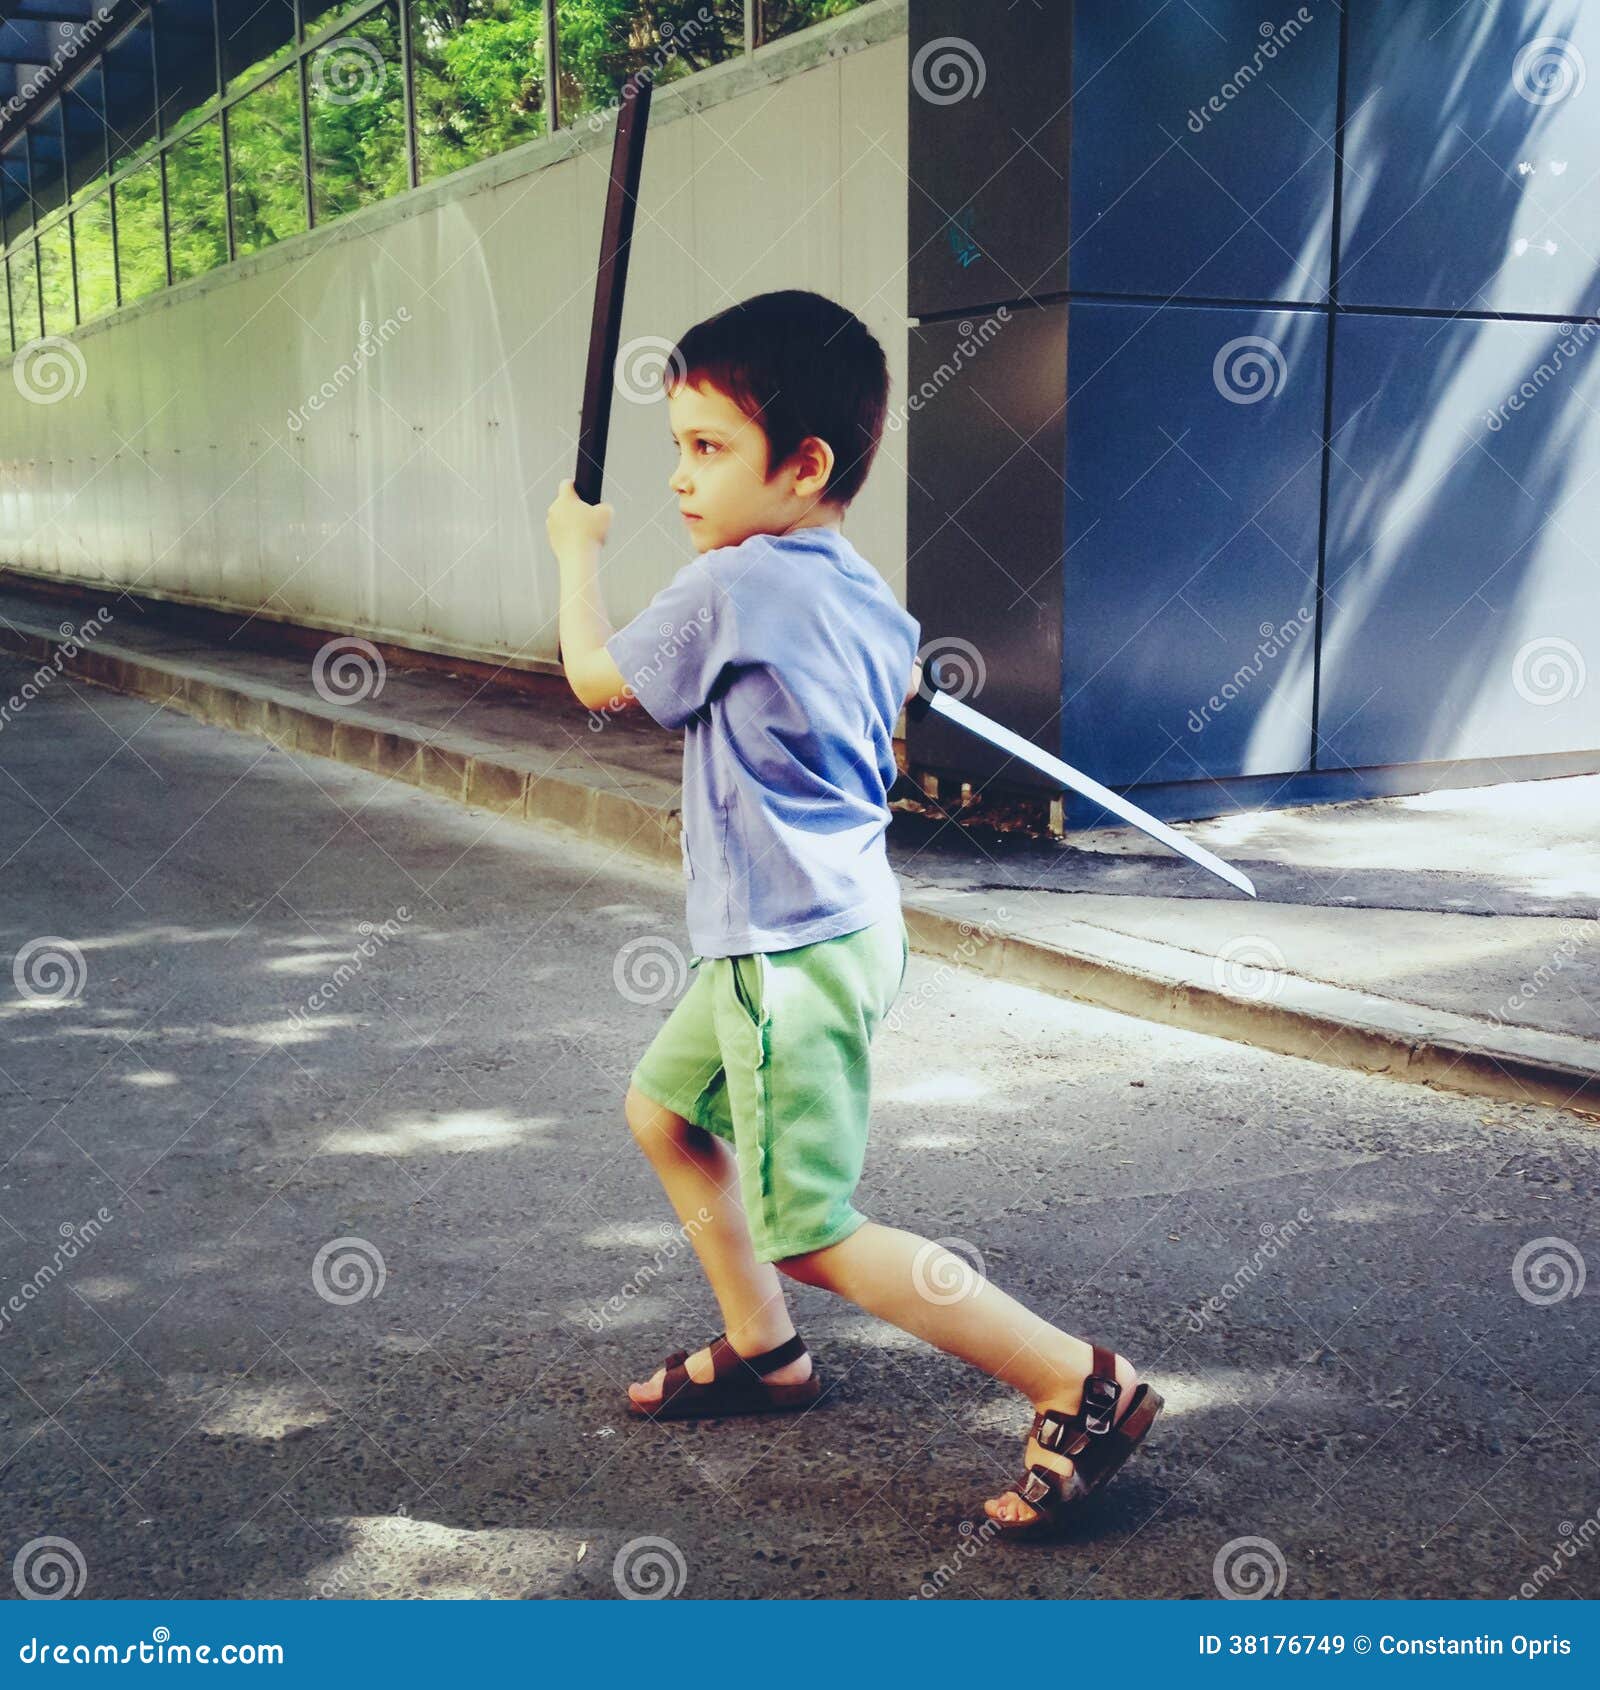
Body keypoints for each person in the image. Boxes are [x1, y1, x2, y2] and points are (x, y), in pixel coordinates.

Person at [544, 289, 1161, 1538]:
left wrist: (576, 553)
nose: (679, 478)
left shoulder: (732, 586)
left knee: (812, 1223)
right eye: (676, 447)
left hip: (788, 951)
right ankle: (766, 1351)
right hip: (832, 927)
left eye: (708, 449)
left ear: (805, 463)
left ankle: (1075, 1378)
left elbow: (594, 681)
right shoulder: (862, 592)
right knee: (663, 1113)